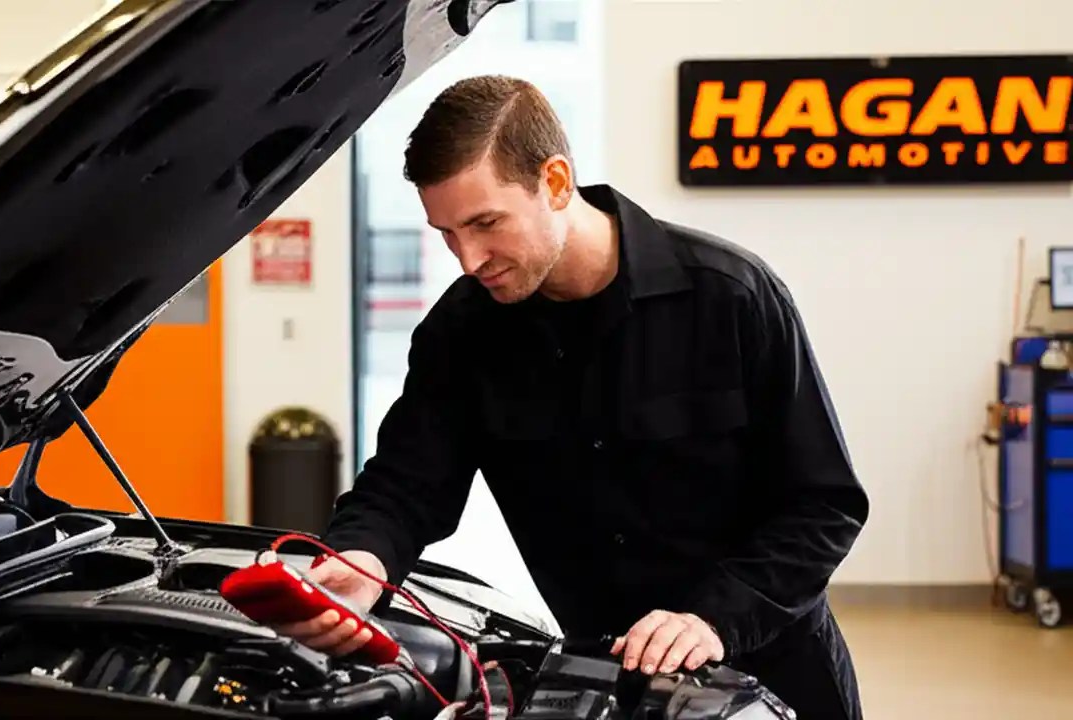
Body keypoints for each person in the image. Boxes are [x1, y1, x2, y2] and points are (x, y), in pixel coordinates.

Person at [272, 75, 869, 719]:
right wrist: (363, 559)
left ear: (555, 183)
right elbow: (406, 483)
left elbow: (823, 505)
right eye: (447, 233)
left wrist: (711, 618)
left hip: (774, 677)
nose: (469, 259)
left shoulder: (732, 297)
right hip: (604, 681)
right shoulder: (463, 332)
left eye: (486, 224)